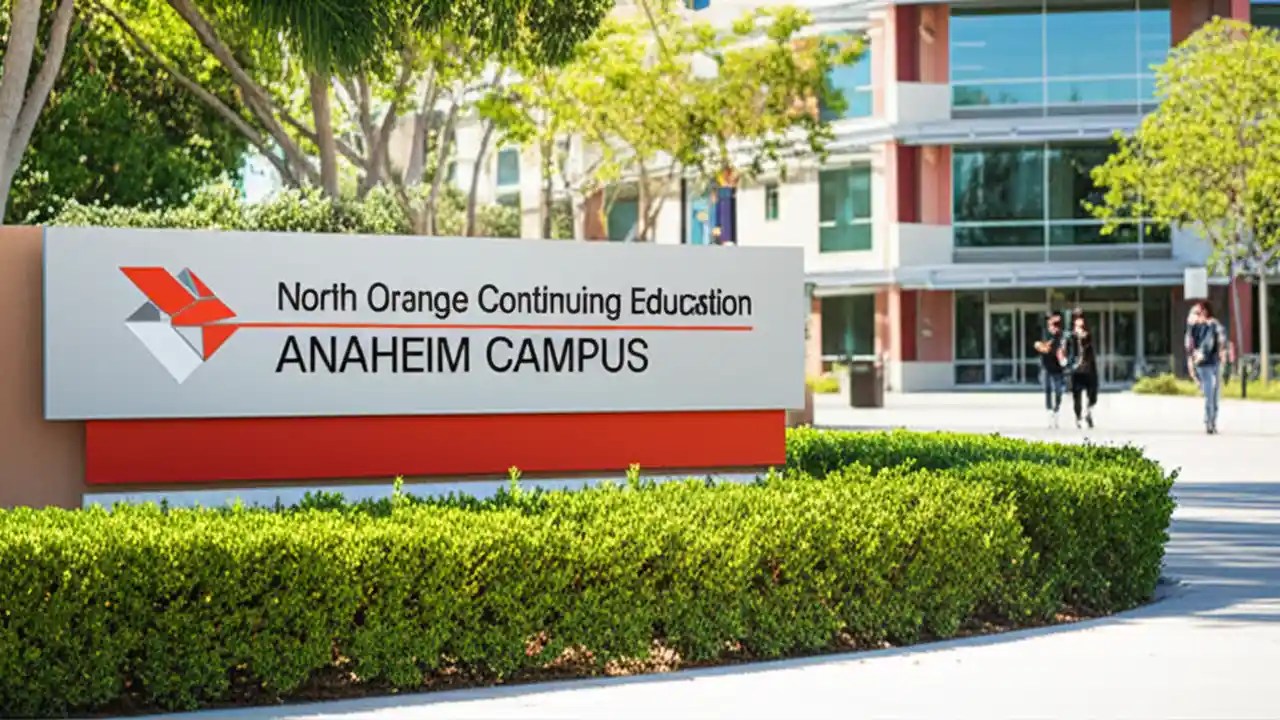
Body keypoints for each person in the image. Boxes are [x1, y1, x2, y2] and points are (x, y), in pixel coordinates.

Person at [1186, 300, 1227, 434]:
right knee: (1209, 393)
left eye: (1201, 311)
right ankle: (1208, 422)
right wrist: (1192, 360)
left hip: (1214, 362)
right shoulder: (1193, 328)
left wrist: (1222, 351)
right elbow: (1189, 346)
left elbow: (1221, 339)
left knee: (1215, 394)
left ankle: (1213, 421)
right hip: (1202, 365)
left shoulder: (1213, 324)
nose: (1200, 314)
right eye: (1196, 313)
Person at [1033, 311, 1067, 427]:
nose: (1052, 325)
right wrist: (1042, 347)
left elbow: (1059, 350)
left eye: (1055, 323)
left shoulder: (1060, 335)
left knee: (1058, 391)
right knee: (1047, 390)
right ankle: (1049, 414)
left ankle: (1056, 411)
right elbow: (1038, 345)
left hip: (1057, 368)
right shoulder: (1044, 334)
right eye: (1051, 322)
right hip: (1046, 367)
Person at [1066, 310, 1099, 429]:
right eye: (1076, 318)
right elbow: (1067, 351)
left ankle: (1088, 413)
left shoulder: (1088, 335)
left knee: (1093, 394)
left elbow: (1088, 344)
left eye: (1080, 318)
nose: (1079, 320)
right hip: (1076, 370)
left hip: (1089, 369)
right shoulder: (1071, 337)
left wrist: (1082, 336)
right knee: (1077, 395)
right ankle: (1078, 417)